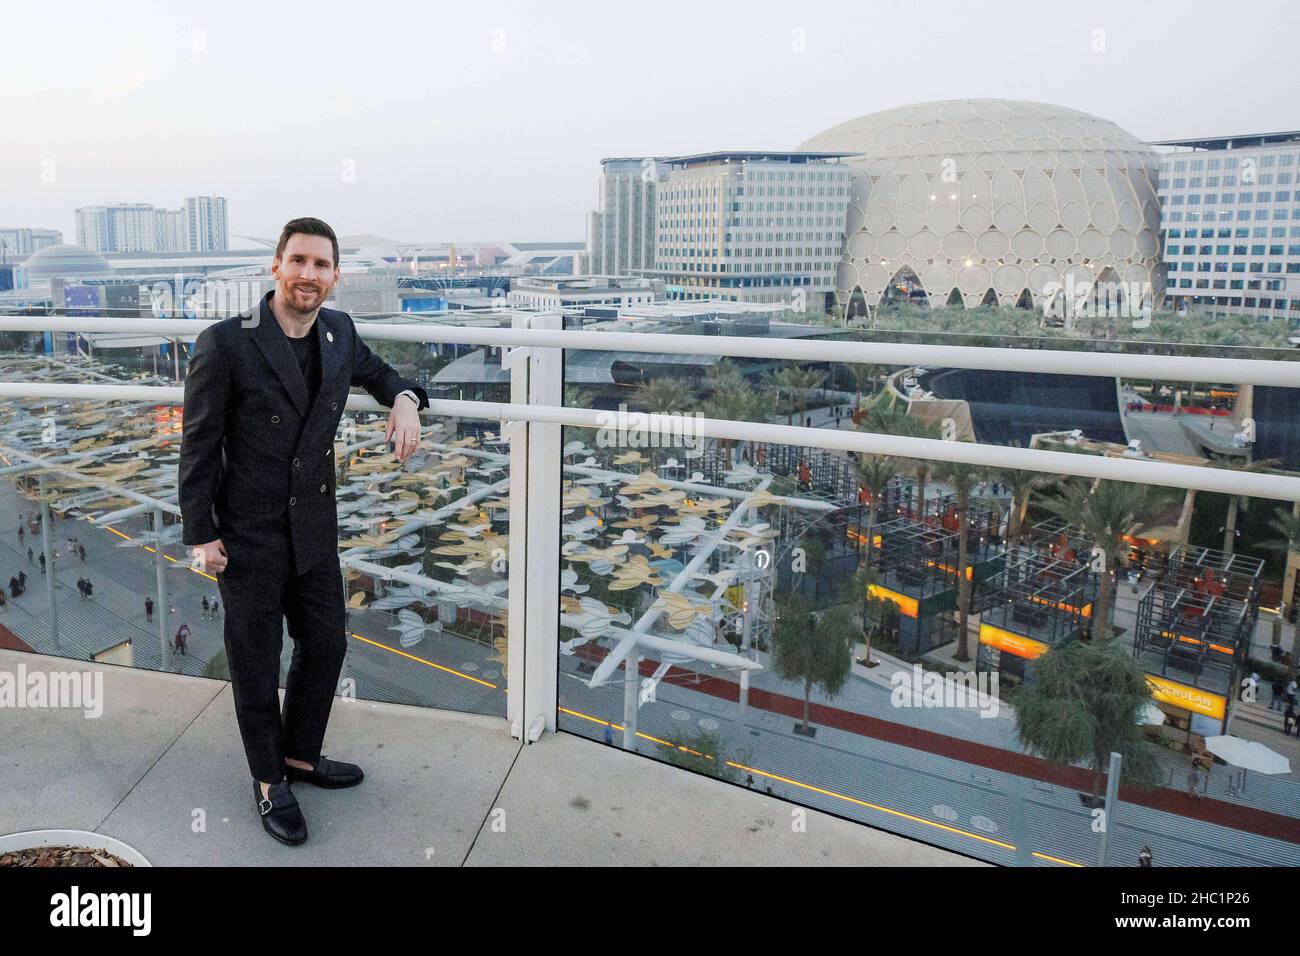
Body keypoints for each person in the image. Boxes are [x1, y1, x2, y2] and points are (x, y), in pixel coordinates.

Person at [179, 217, 428, 847]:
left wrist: (405, 400)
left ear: (336, 276)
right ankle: (268, 781)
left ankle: (299, 757)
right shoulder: (226, 343)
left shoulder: (340, 333)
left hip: (314, 528)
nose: (308, 275)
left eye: (321, 265)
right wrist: (200, 534)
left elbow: (384, 375)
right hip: (248, 535)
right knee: (257, 664)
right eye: (298, 262)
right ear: (276, 267)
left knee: (326, 647)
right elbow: (199, 445)